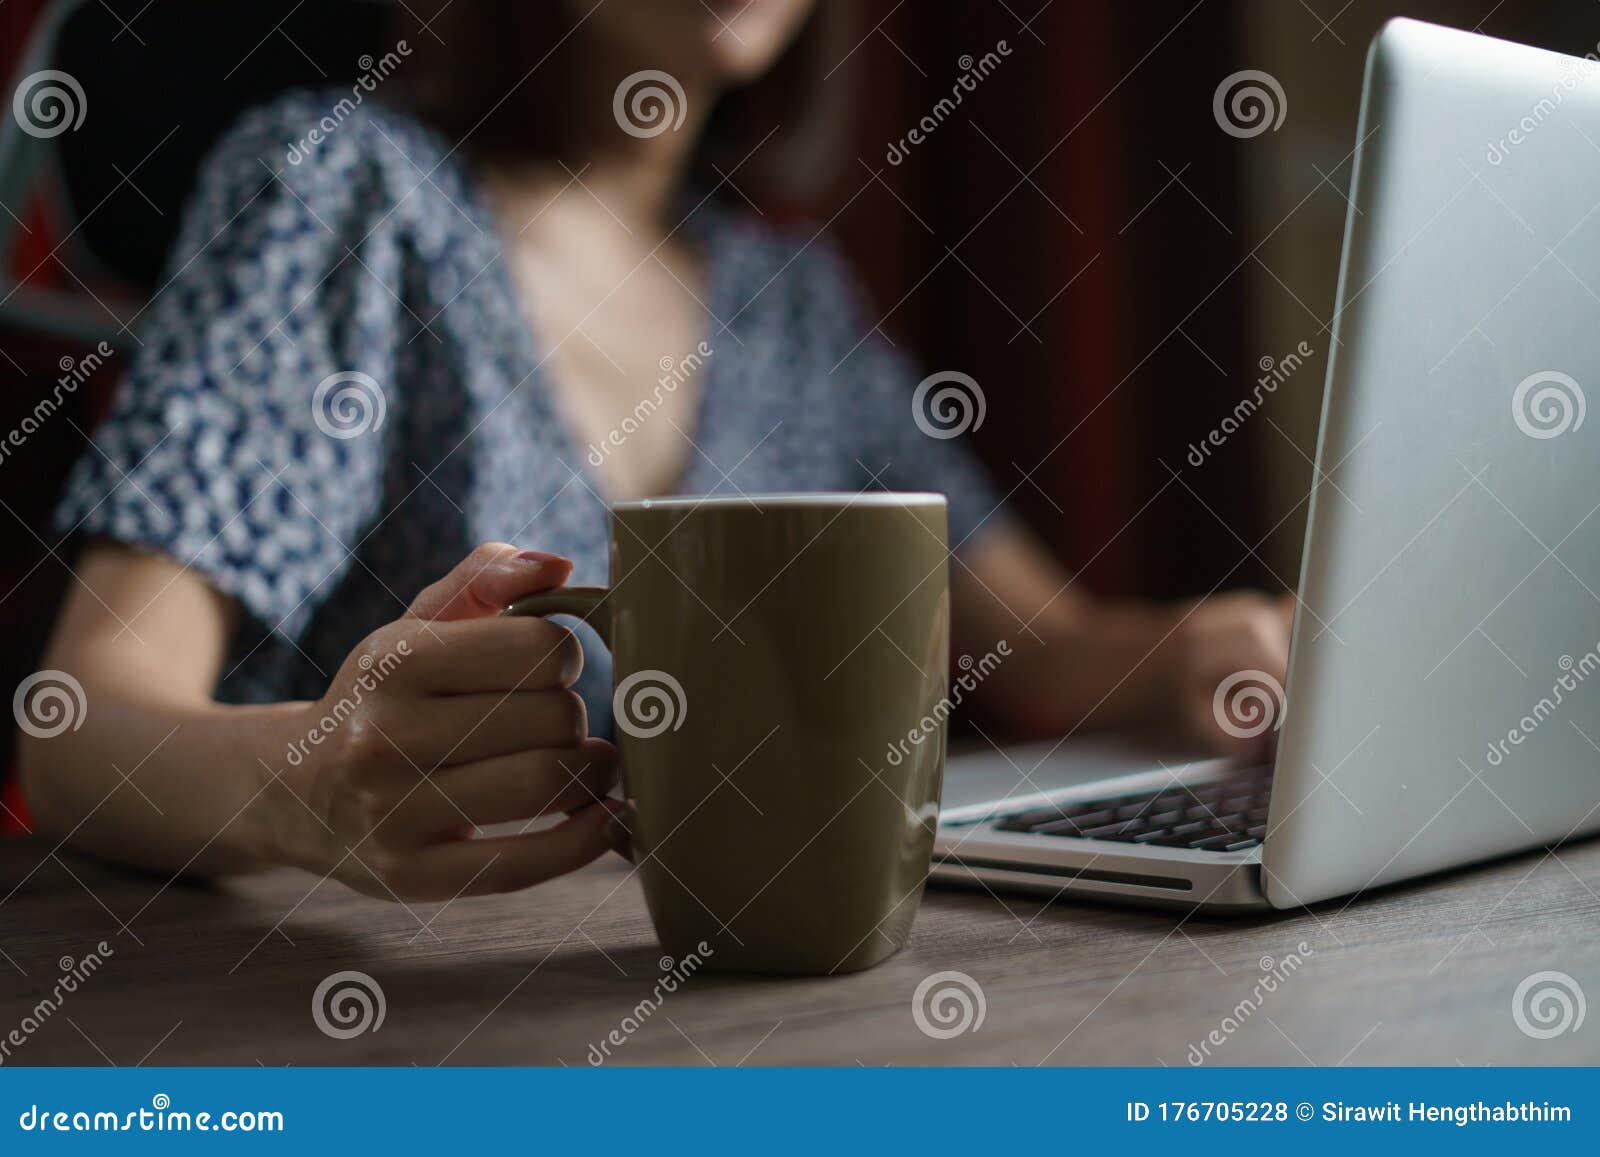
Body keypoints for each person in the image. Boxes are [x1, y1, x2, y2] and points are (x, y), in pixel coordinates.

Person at [19, 0, 1293, 901]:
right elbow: (81, 731)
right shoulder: (346, 191)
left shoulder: (787, 299)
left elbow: (1043, 650)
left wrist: (1215, 651)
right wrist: (309, 785)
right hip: (369, 1021)